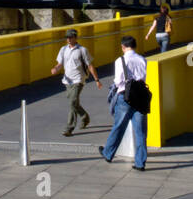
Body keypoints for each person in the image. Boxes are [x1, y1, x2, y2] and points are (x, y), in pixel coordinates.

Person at [98, 36, 148, 171]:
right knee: (141, 131)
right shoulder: (142, 59)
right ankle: (140, 162)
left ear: (123, 46)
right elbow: (143, 77)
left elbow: (118, 80)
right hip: (141, 97)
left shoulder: (120, 60)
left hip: (125, 96)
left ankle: (108, 153)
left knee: (119, 126)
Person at [50, 28, 103, 136]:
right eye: (67, 37)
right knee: (74, 103)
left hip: (78, 79)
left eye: (70, 37)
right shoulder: (63, 49)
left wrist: (97, 80)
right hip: (67, 80)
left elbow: (90, 65)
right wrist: (55, 68)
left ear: (75, 38)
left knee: (72, 102)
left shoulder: (82, 50)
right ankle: (84, 117)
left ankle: (69, 128)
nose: (68, 39)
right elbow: (60, 64)